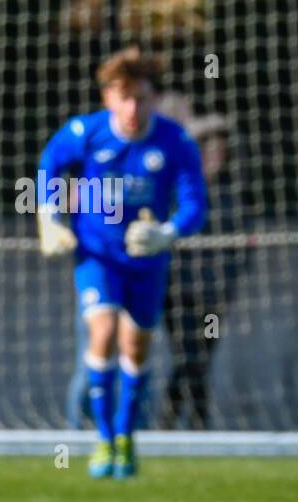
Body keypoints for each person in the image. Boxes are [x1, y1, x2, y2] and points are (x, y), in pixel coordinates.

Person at [36, 47, 207, 478]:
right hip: (97, 255)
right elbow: (50, 165)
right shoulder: (86, 132)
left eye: (141, 98)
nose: (132, 108)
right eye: (123, 97)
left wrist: (167, 233)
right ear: (108, 98)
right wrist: (50, 218)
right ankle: (104, 438)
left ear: (153, 98)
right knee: (104, 331)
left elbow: (194, 203)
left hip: (146, 259)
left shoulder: (174, 140)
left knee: (136, 346)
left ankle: (128, 437)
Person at [159, 110, 247, 429]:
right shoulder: (177, 191)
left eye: (219, 148)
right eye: (207, 147)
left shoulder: (230, 196)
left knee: (199, 360)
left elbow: (239, 249)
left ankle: (172, 423)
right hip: (177, 293)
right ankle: (193, 424)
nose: (214, 154)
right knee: (189, 357)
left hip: (214, 296)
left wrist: (227, 281)